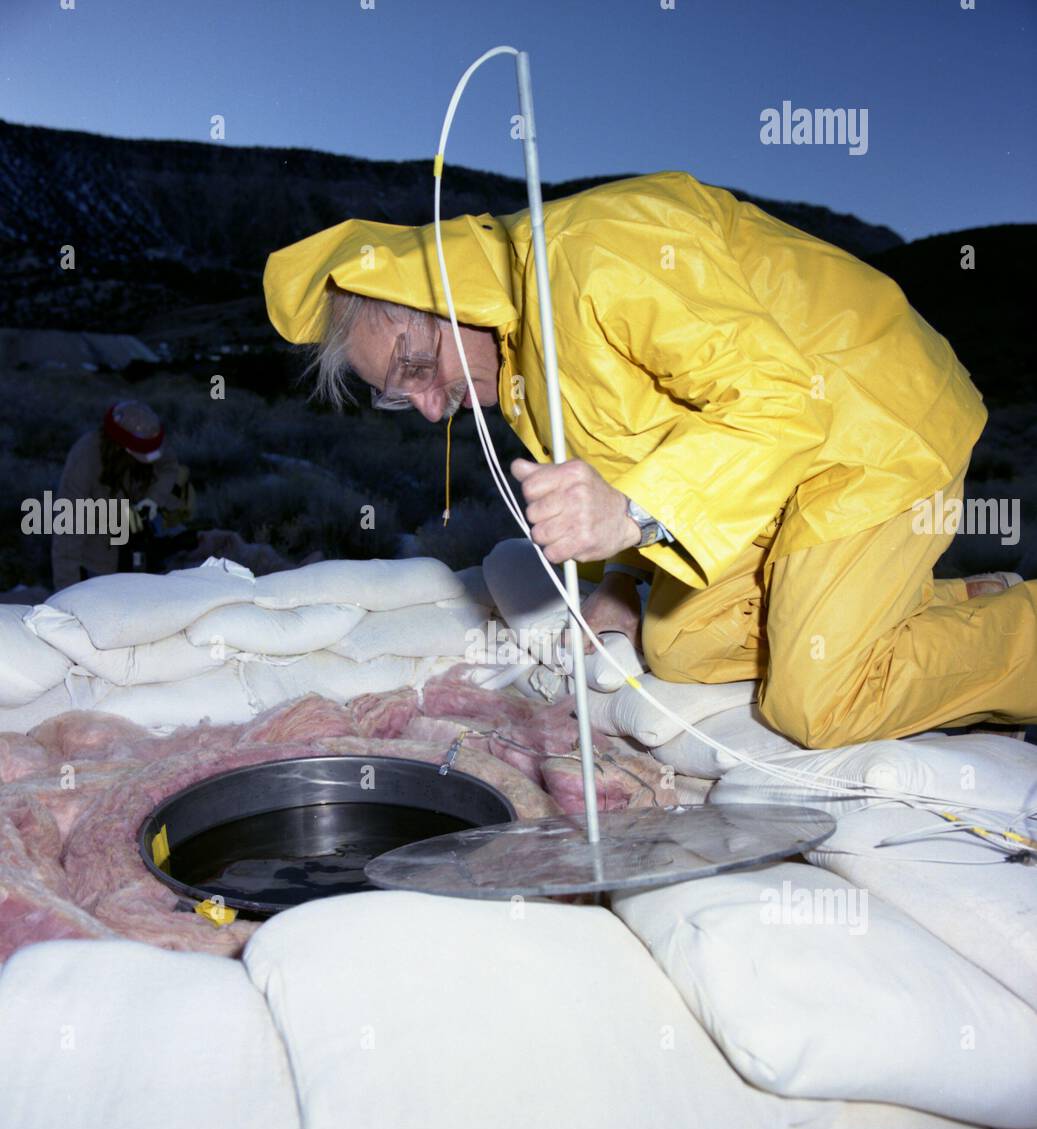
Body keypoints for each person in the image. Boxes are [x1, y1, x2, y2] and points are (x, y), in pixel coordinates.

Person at [261, 170, 1035, 747]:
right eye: (402, 398)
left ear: (444, 290)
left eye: (417, 367)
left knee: (818, 698)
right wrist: (622, 583)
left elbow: (776, 402)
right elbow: (646, 463)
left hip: (865, 419)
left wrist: (627, 515)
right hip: (775, 465)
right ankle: (948, 605)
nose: (431, 407)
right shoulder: (526, 381)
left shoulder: (597, 257)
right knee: (680, 646)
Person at [52, 400, 196, 591]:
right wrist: (66, 594)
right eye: (142, 453)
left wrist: (152, 500)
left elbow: (168, 467)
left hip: (141, 542)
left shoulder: (151, 440)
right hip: (98, 556)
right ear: (120, 446)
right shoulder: (84, 459)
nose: (149, 458)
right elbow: (67, 531)